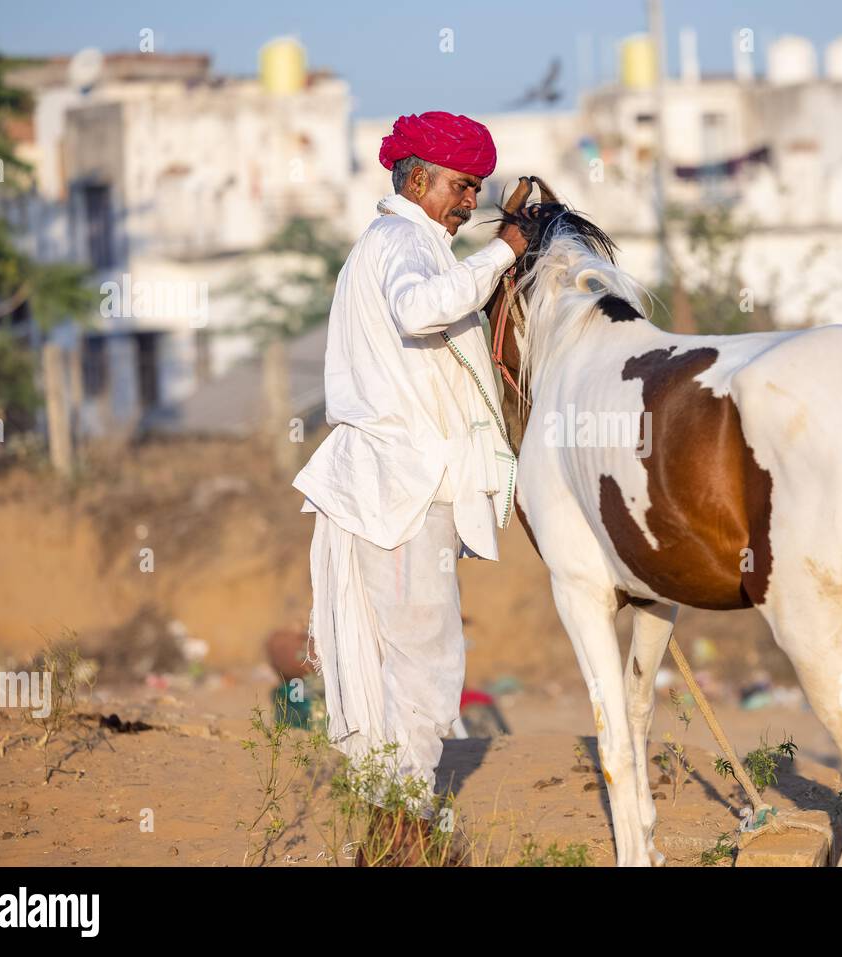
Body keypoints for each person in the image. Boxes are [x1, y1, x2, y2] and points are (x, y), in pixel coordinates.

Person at [291, 111, 528, 862]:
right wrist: (505, 250)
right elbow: (421, 309)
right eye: (462, 187)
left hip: (398, 487)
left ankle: (395, 818)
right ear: (418, 178)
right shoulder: (400, 244)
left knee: (405, 662)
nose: (468, 202)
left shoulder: (411, 245)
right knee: (427, 664)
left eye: (478, 190)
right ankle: (402, 831)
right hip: (399, 492)